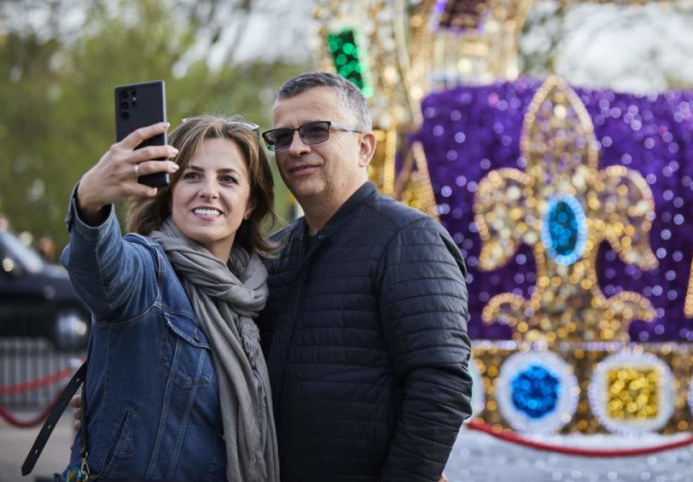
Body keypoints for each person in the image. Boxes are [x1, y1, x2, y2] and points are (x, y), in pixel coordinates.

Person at [258, 71, 473, 481]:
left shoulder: (409, 239)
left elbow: (441, 387)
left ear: (364, 146)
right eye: (283, 137)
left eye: (316, 131)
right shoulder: (274, 250)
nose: (296, 148)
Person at [62, 116, 279, 481]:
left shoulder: (257, 294)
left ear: (250, 205)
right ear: (170, 191)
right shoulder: (147, 269)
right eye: (192, 176)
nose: (208, 190)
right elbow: (99, 267)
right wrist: (90, 198)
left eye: (227, 179)